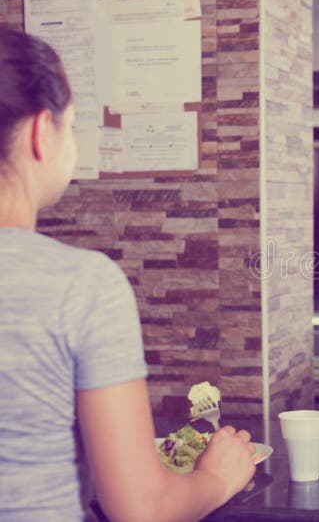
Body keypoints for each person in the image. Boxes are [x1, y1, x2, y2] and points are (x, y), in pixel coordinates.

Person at [0, 28, 255, 521]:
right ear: (41, 132)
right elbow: (142, 510)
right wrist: (218, 476)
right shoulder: (81, 286)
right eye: (73, 126)